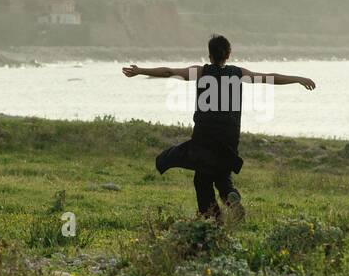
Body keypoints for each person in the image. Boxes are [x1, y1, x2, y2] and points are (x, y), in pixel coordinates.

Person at [122, 34, 316, 219]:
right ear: (228, 54)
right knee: (222, 176)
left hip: (204, 138)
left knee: (201, 178)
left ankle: (212, 218)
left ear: (209, 54)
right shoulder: (239, 74)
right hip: (228, 138)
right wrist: (298, 78)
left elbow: (169, 72)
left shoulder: (200, 71)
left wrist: (140, 71)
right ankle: (231, 198)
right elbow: (269, 77)